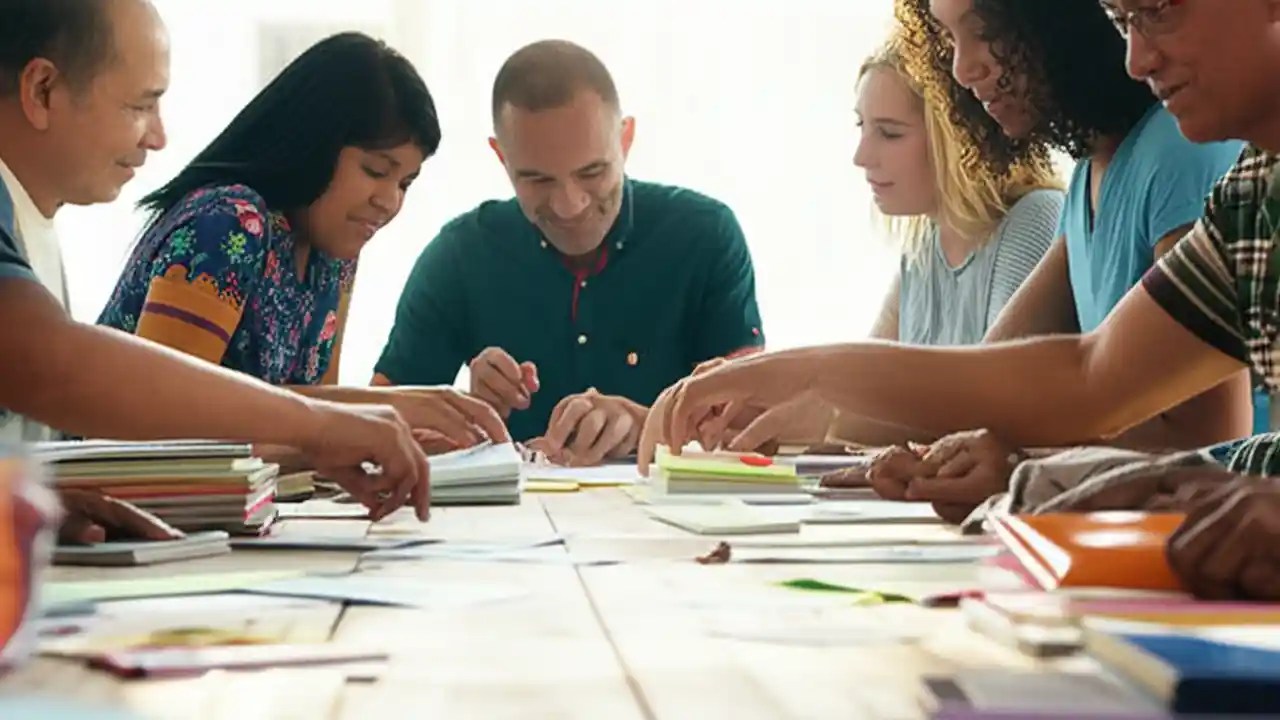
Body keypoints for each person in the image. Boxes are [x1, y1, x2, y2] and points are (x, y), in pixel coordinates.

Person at [638, 0, 1280, 597]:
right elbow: (1080, 375)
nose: (1135, 59)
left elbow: (1201, 431)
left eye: (1158, 12)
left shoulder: (1178, 160)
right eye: (1123, 19)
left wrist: (817, 383)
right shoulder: (1248, 193)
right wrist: (811, 387)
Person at [0, 0, 428, 651]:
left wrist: (35, 495)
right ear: (42, 89)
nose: (158, 137)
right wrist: (317, 428)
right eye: (139, 104)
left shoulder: (31, 220)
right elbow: (46, 364)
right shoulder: (227, 220)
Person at [98, 32, 508, 454]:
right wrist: (385, 413)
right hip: (111, 507)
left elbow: (303, 420)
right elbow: (164, 429)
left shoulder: (332, 253)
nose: (389, 201)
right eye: (375, 170)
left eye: (405, 182)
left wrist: (393, 437)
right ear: (315, 142)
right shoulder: (227, 225)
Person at [374, 40, 765, 466]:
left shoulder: (705, 235)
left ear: (626, 139)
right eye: (538, 180)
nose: (569, 205)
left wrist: (649, 423)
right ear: (502, 158)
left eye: (592, 172)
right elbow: (374, 433)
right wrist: (464, 415)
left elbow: (757, 427)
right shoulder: (457, 256)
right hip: (508, 526)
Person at [723, 39, 1063, 450]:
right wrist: (756, 403)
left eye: (888, 133)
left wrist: (827, 417)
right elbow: (863, 386)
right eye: (861, 128)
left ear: (954, 139)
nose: (861, 155)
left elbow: (990, 405)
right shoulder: (922, 248)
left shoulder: (1036, 217)